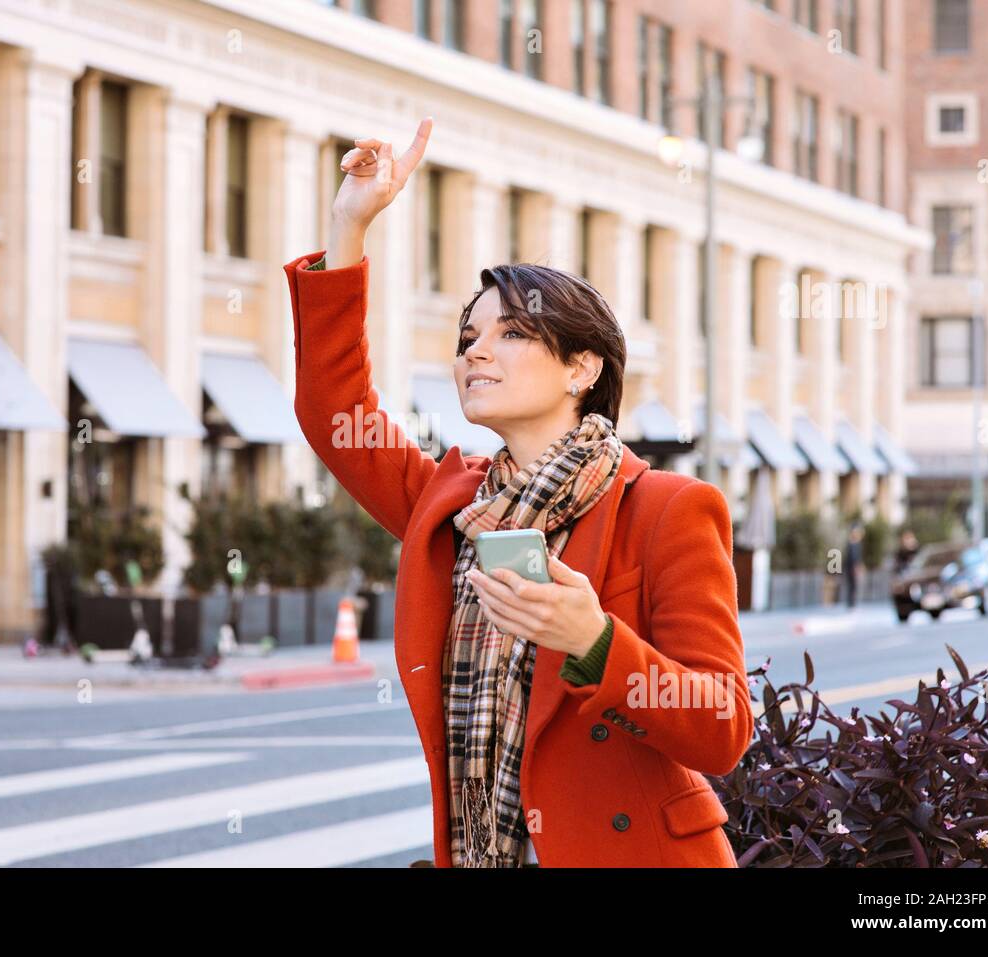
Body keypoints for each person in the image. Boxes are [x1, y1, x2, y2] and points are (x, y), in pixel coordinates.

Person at [282, 117, 751, 867]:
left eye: (510, 334)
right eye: (469, 337)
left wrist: (593, 643)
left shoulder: (667, 508)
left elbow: (721, 725)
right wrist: (350, 223)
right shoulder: (451, 505)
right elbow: (337, 416)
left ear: (582, 368)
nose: (476, 351)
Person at [844, 524, 864, 609]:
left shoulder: (857, 544)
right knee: (852, 586)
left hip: (853, 567)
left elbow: (858, 557)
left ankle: (852, 604)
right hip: (851, 568)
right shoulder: (852, 544)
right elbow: (852, 557)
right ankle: (851, 604)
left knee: (854, 586)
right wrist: (855, 567)